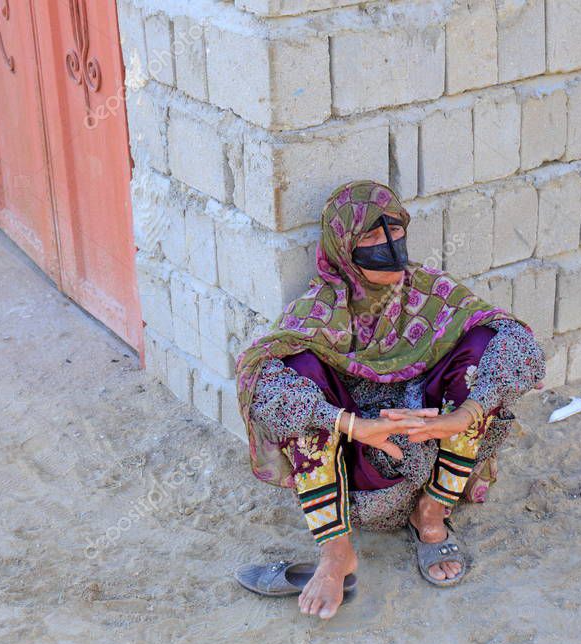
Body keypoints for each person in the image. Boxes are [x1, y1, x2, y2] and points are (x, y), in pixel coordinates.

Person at [233, 180, 546, 619]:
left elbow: (521, 345)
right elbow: (260, 379)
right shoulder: (321, 308)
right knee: (293, 370)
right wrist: (354, 426)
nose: (390, 245)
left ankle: (431, 513)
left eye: (394, 229)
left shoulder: (428, 290)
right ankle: (337, 551)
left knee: (483, 346)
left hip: (434, 443)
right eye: (371, 236)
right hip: (358, 460)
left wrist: (465, 416)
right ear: (343, 247)